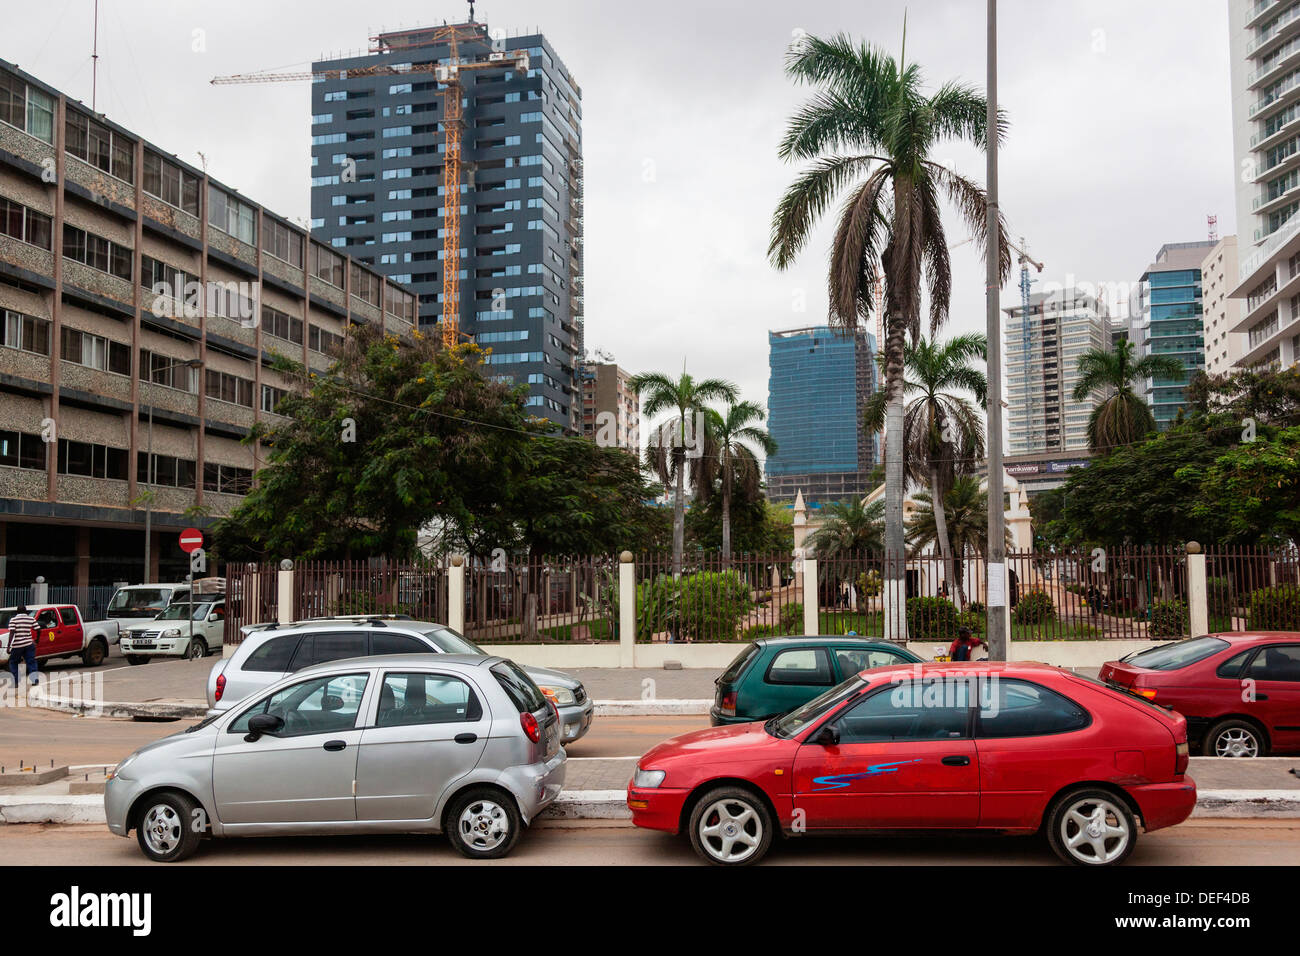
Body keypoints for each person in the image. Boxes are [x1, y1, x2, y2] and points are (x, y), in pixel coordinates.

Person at [6, 604, 38, 686]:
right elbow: (38, 629)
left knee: (13, 662)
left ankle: (16, 682)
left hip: (18, 645)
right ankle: (34, 680)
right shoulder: (30, 619)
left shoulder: (13, 620)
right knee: (31, 661)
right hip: (29, 644)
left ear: (17, 611)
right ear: (25, 611)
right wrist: (37, 639)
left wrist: (9, 646)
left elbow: (12, 633)